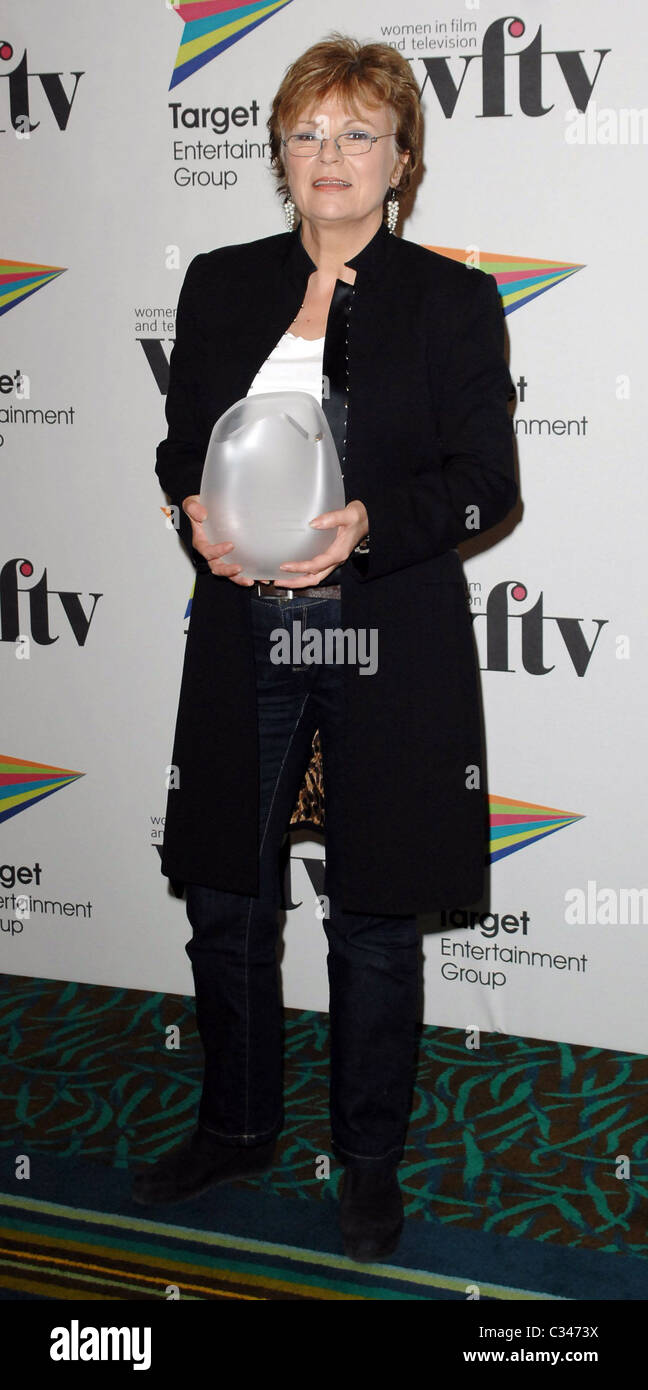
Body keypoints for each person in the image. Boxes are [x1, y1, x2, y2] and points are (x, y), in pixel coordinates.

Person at [132, 33, 517, 1262]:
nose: (332, 156)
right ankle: (238, 1125)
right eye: (309, 134)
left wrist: (364, 527)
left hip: (386, 640)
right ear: (280, 157)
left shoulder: (452, 300)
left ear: (401, 158)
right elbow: (181, 446)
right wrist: (192, 510)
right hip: (244, 634)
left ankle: (367, 1161)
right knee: (227, 901)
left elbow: (484, 486)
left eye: (360, 133)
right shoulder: (219, 282)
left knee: (373, 914)